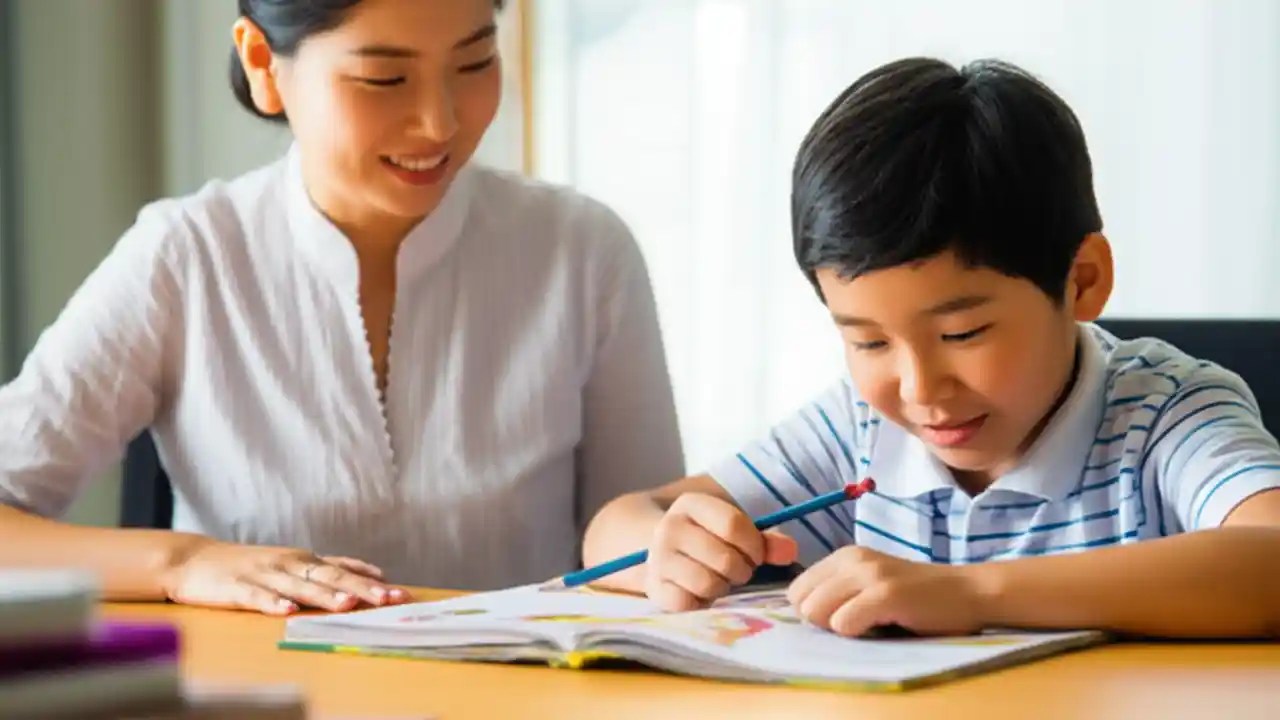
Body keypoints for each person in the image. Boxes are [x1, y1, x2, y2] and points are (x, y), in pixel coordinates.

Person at [0, 0, 682, 616]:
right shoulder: (186, 258)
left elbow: (650, 545)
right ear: (264, 64)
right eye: (384, 79)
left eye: (475, 61)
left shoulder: (583, 252)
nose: (439, 121)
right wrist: (184, 562)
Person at [584, 57, 1280, 639]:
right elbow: (618, 525)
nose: (918, 389)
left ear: (1082, 281)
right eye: (867, 340)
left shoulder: (1164, 412)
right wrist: (669, 553)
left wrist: (974, 594)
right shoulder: (859, 431)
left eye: (962, 334)